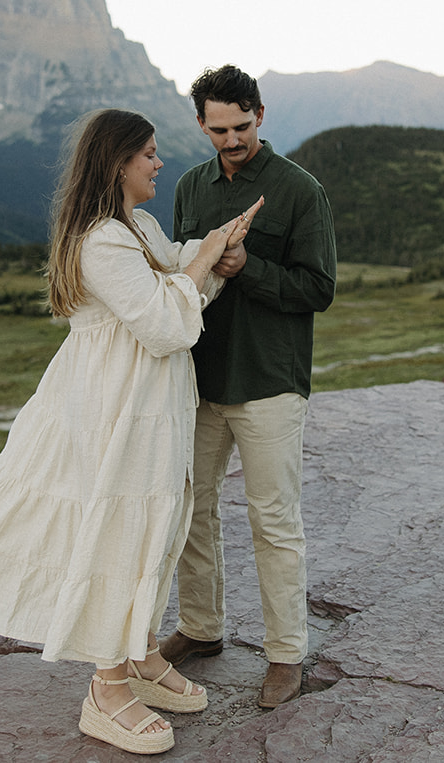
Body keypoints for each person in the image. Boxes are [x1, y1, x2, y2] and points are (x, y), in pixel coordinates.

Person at [0, 108, 262, 755]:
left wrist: (213, 259)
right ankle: (106, 686)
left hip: (148, 405)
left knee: (157, 520)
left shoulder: (140, 225)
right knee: (117, 530)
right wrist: (207, 256)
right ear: (118, 162)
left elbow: (177, 279)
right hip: (111, 409)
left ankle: (139, 649)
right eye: (148, 153)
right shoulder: (99, 239)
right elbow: (164, 322)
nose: (159, 163)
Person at [160, 65, 337, 709]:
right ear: (201, 124)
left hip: (269, 381)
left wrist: (248, 266)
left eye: (241, 126)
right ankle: (201, 629)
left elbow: (319, 288)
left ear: (260, 114)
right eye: (218, 129)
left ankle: (286, 654)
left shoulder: (299, 190)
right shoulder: (188, 187)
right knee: (191, 509)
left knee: (273, 520)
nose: (231, 140)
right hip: (200, 379)